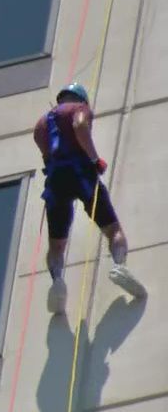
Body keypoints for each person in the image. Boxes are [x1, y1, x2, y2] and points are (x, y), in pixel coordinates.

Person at [33, 83, 146, 315]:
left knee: (56, 244)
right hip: (82, 174)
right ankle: (119, 266)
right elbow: (80, 125)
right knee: (112, 229)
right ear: (81, 99)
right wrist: (94, 159)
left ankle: (57, 281)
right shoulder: (80, 108)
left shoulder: (41, 124)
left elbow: (46, 154)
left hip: (56, 183)